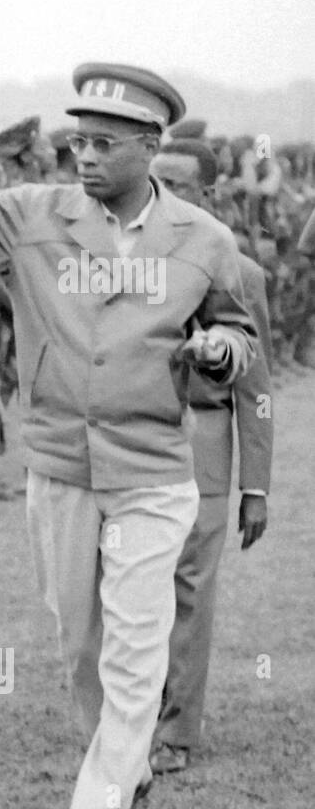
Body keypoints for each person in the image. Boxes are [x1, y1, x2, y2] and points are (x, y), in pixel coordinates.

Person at [0, 63, 258, 809]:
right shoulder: (31, 214)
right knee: (80, 640)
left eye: (105, 144)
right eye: (77, 143)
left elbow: (240, 329)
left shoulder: (204, 238)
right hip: (61, 463)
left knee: (136, 639)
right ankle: (124, 765)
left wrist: (217, 350)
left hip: (152, 468)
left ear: (151, 147)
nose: (87, 158)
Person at [148, 138, 273, 774]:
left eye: (181, 186)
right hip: (134, 444)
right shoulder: (125, 263)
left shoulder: (240, 273)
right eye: (155, 182)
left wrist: (256, 487)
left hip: (204, 447)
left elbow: (256, 394)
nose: (165, 196)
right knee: (132, 589)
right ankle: (134, 715)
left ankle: (176, 731)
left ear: (210, 195)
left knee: (190, 591)